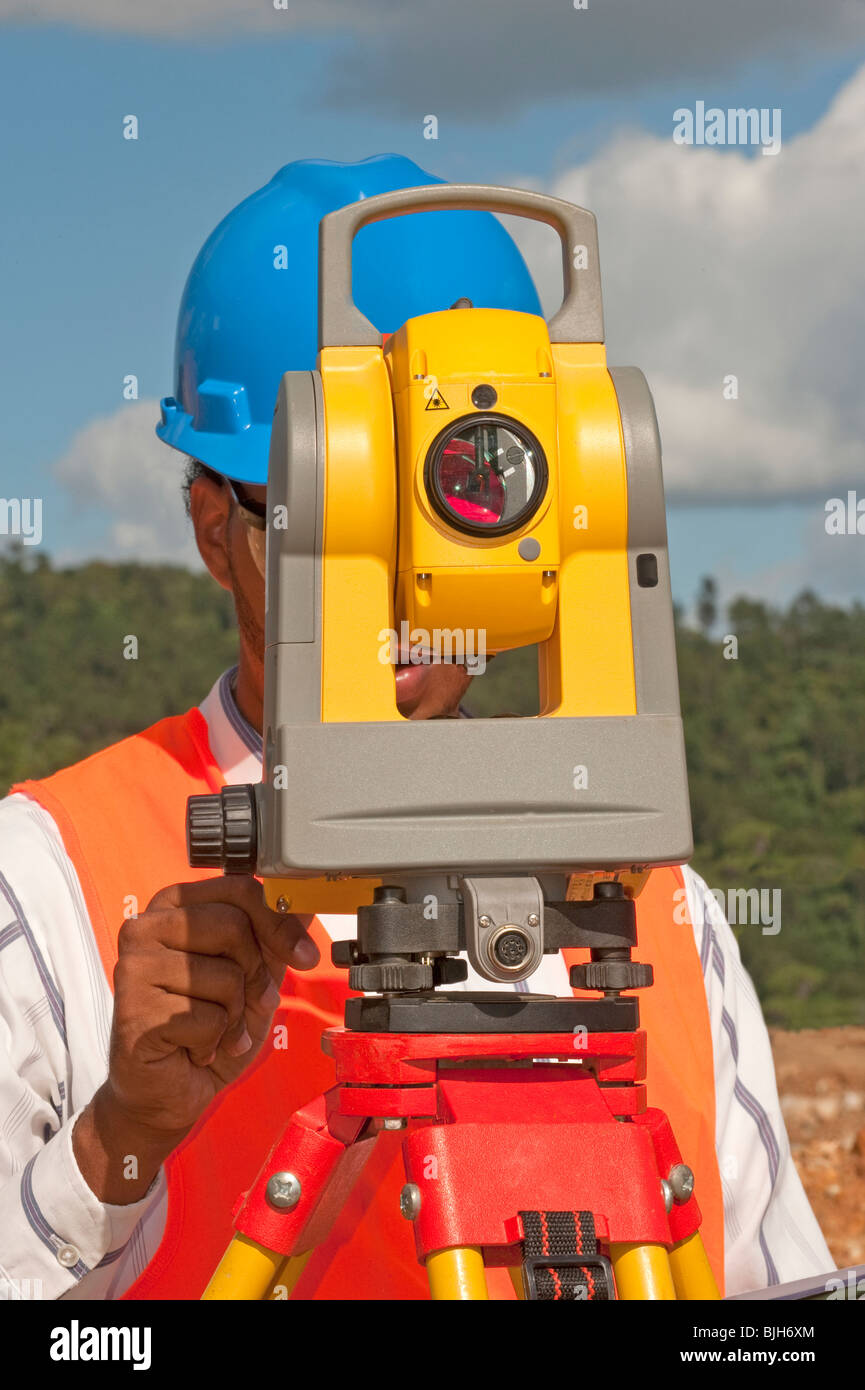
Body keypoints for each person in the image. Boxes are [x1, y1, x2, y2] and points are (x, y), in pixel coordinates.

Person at [0, 155, 833, 1301]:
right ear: (210, 520)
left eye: (452, 511)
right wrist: (121, 1141)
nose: (398, 591)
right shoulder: (54, 876)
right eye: (339, 524)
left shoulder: (664, 918)